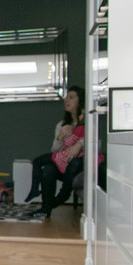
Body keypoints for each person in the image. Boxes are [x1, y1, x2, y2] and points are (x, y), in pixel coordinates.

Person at [29, 85, 87, 219]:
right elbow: (54, 150)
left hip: (79, 167)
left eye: (71, 98)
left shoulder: (88, 122)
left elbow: (96, 143)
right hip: (63, 165)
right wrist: (61, 136)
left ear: (80, 101)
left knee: (76, 162)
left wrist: (79, 144)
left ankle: (63, 195)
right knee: (48, 168)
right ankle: (46, 209)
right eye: (66, 97)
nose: (67, 100)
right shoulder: (61, 125)